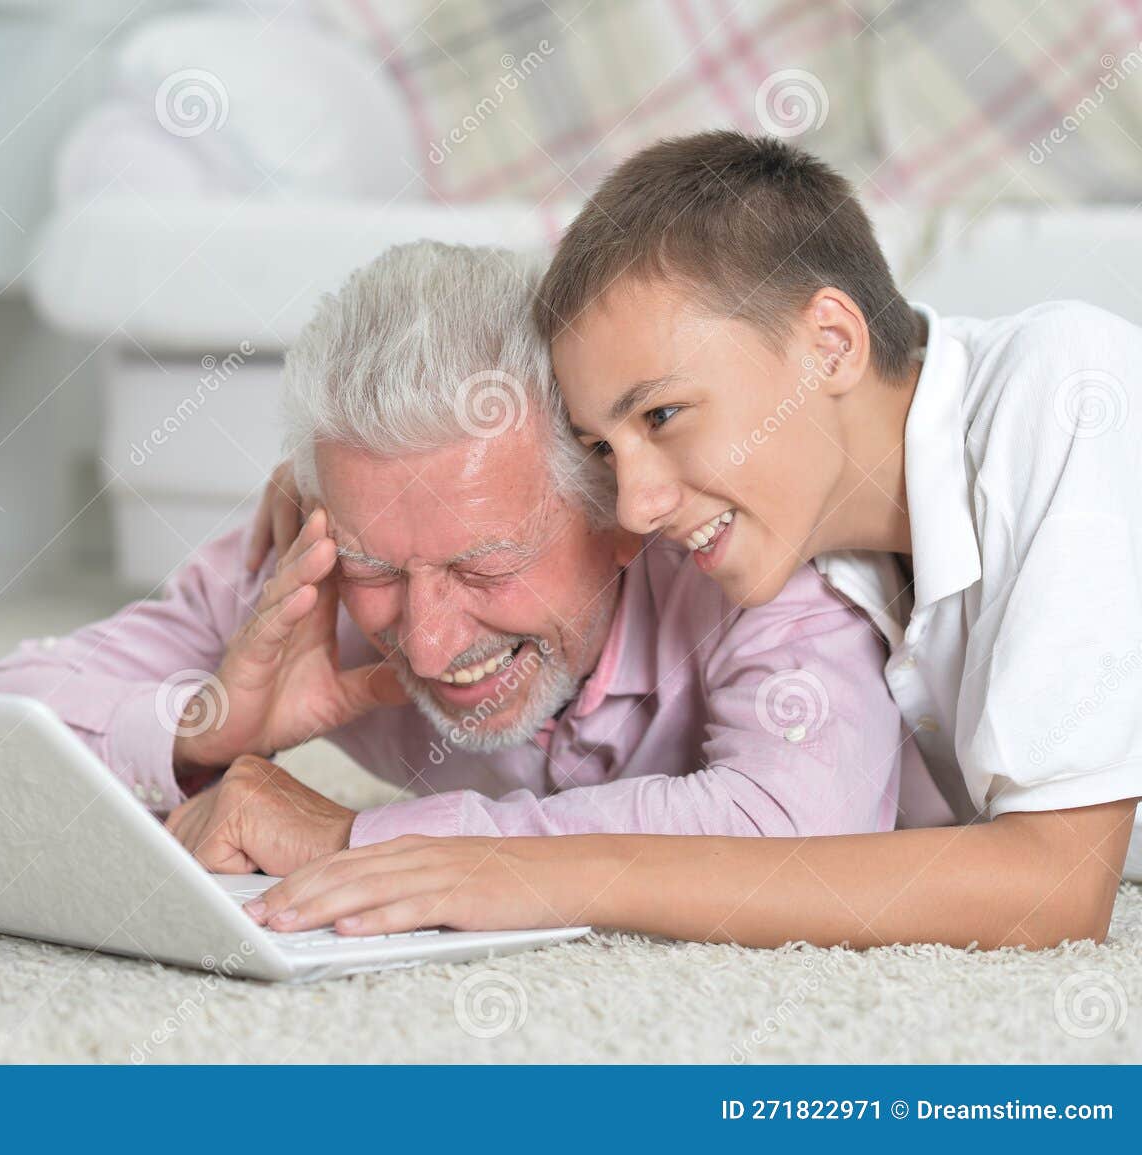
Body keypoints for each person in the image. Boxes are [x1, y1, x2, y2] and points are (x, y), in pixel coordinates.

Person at [245, 133, 1139, 950]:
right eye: (602, 447)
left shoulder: (1066, 391)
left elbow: (1053, 884)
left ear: (830, 344)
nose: (634, 505)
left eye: (662, 415)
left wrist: (538, 873)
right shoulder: (819, 522)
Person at [0, 242, 912, 881]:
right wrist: (208, 728)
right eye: (382, 571)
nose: (425, 646)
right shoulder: (316, 566)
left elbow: (805, 828)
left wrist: (356, 838)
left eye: (484, 567)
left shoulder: (743, 552)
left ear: (620, 504)